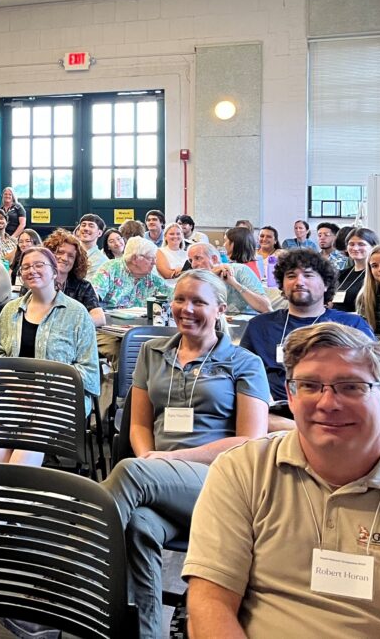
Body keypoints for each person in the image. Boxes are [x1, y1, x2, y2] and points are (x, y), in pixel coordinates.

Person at [184, 322, 380, 638]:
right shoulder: (242, 470)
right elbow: (210, 605)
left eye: (351, 386)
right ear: (291, 397)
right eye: (309, 386)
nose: (328, 403)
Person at [104, 269, 270, 638]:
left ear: (220, 309)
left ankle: (69, 572)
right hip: (157, 479)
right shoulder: (152, 352)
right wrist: (150, 459)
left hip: (220, 483)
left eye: (198, 301)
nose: (186, 308)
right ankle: (147, 633)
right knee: (139, 525)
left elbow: (251, 441)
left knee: (130, 472)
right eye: (180, 299)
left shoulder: (244, 362)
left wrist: (166, 461)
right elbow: (139, 425)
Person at [0, 246, 100, 465]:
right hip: (14, 393)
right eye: (26, 267)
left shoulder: (77, 313)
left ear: (55, 271)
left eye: (39, 265)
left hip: (60, 397)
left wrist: (42, 388)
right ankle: (3, 486)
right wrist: (16, 387)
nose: (32, 270)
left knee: (25, 447)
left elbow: (90, 371)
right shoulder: (10, 310)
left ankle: (13, 485)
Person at [240, 248, 373, 401]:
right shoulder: (259, 326)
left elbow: (373, 376)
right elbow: (242, 373)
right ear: (282, 285)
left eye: (308, 275)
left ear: (326, 284)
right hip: (271, 408)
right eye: (291, 276)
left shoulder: (351, 326)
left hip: (334, 405)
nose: (299, 282)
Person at [187, 242, 271, 315]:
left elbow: (266, 308)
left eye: (198, 258)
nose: (193, 265)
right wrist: (210, 278)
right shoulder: (197, 280)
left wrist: (234, 283)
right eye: (191, 260)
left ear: (214, 259)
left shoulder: (240, 270)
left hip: (249, 321)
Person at [45, 229, 104, 327]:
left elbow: (99, 318)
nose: (65, 258)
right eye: (60, 252)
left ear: (76, 261)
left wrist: (70, 326)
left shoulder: (83, 286)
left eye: (71, 256)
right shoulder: (37, 282)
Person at [92, 236, 169, 310]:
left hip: (143, 318)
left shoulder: (152, 277)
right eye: (150, 258)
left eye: (154, 258)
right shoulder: (110, 269)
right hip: (110, 318)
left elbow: (170, 294)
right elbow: (93, 295)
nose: (154, 262)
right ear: (135, 259)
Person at [334, 227, 379, 313]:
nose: (355, 248)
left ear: (373, 247)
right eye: (351, 244)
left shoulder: (376, 275)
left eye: (361, 244)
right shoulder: (341, 274)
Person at [77, 213, 108, 280]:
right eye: (83, 225)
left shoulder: (101, 261)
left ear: (99, 233)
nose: (86, 228)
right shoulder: (70, 252)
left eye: (91, 226)